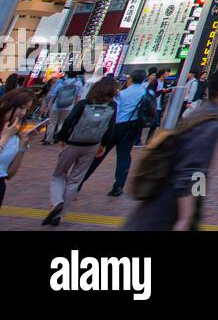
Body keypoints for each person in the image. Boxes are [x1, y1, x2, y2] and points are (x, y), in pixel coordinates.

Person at [124, 65, 218, 231]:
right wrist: (188, 215)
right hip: (168, 206)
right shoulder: (211, 123)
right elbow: (194, 171)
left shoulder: (202, 113)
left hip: (162, 196)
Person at [42, 76, 118, 226]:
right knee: (75, 180)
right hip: (92, 145)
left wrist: (62, 138)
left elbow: (69, 121)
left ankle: (57, 202)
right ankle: (61, 215)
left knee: (59, 174)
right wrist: (103, 145)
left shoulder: (84, 104)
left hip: (73, 143)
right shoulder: (112, 106)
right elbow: (111, 127)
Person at [80, 68, 150, 196]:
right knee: (124, 156)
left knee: (99, 154)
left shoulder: (123, 94)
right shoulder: (145, 92)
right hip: (133, 127)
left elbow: (114, 111)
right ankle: (118, 186)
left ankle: (79, 182)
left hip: (117, 125)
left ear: (131, 79)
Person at [0, 90, 40, 208]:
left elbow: (9, 174)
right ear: (7, 105)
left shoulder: (15, 135)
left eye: (27, 109)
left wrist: (22, 147)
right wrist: (5, 138)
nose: (23, 113)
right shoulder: (8, 134)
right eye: (21, 107)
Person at [42, 72, 82, 145]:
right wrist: (75, 107)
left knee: (52, 123)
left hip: (56, 106)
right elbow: (78, 97)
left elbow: (53, 95)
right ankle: (58, 135)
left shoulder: (60, 82)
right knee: (62, 122)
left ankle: (48, 139)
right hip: (69, 107)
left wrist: (49, 105)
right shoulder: (78, 83)